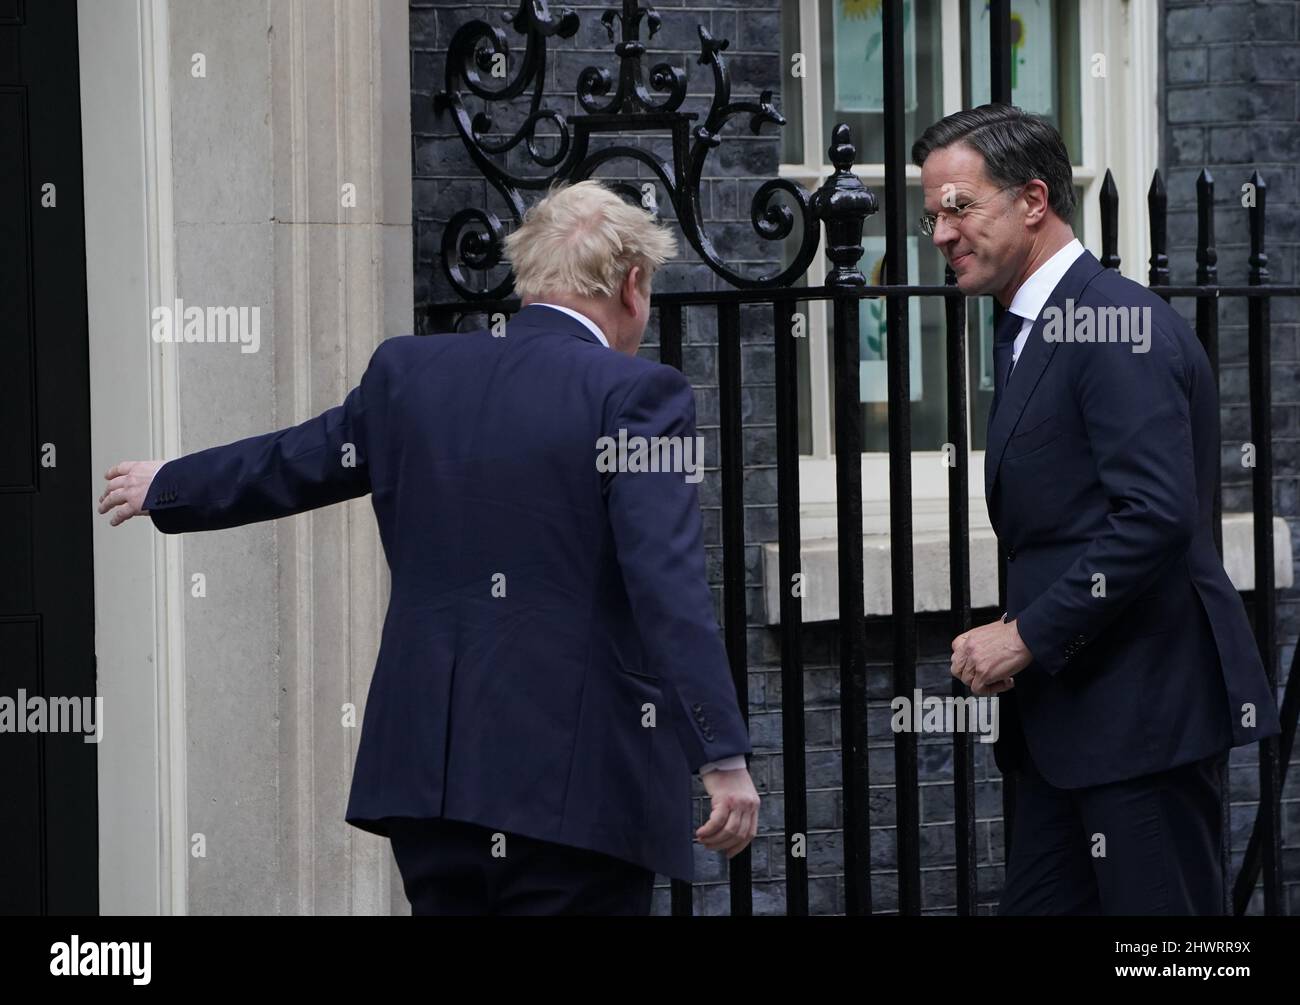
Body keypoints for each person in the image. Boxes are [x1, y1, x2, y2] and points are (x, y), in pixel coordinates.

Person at [98, 179, 758, 916]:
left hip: (429, 786)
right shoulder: (641, 395)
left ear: (530, 275)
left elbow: (295, 460)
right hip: (578, 795)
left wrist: (169, 481)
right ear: (633, 284)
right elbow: (666, 582)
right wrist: (721, 754)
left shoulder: (411, 374)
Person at [916, 104, 1281, 915]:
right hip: (1067, 727)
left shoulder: (1113, 324)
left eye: (958, 207)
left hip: (1142, 721)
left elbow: (1154, 514)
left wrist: (1025, 634)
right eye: (931, 214)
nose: (940, 233)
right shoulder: (1035, 325)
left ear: (1034, 200)